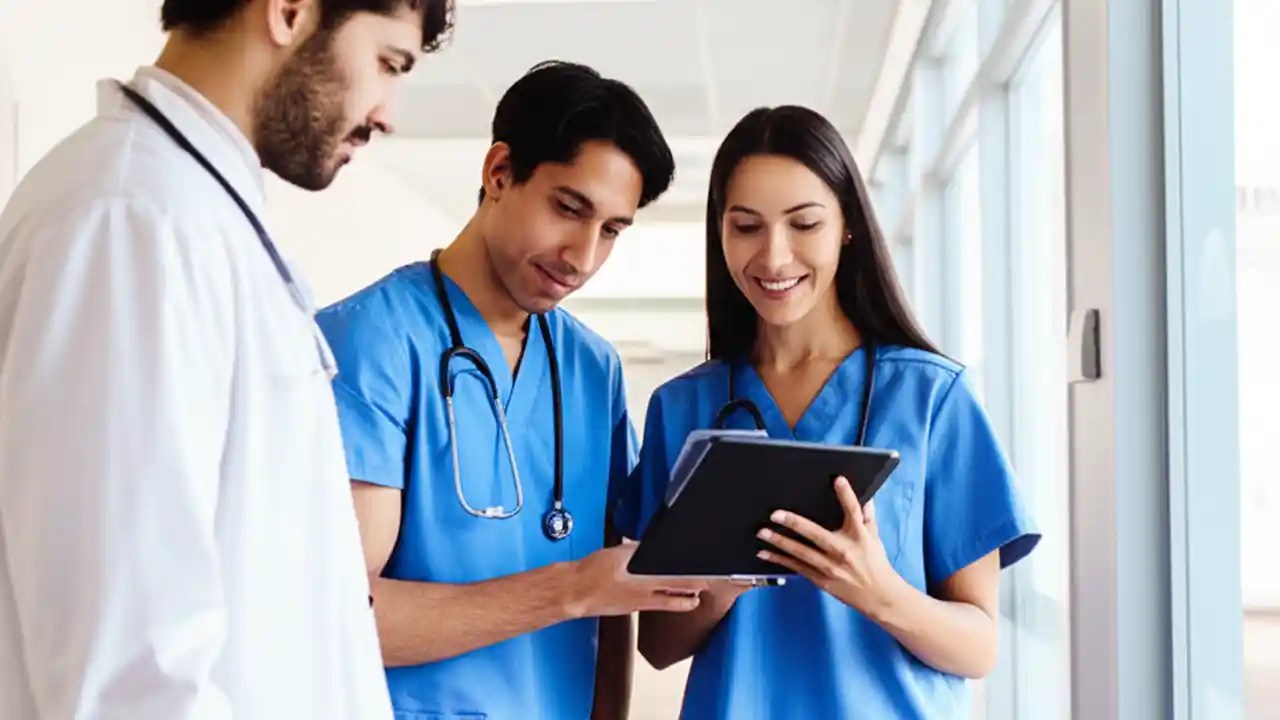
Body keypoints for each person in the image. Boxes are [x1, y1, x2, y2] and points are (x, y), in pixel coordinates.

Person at [0, 1, 453, 717]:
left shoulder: (192, 213)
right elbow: (127, 672)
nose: (386, 113)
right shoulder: (132, 218)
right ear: (289, 11)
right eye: (387, 64)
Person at [614, 105, 1042, 719]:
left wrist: (878, 592)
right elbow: (657, 644)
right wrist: (722, 583)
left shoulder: (931, 399)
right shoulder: (683, 408)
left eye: (804, 223)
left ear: (846, 225)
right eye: (746, 227)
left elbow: (978, 649)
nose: (775, 257)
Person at [315, 59, 706, 720]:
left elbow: (613, 613)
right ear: (500, 173)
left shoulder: (591, 368)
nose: (582, 255)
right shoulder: (369, 343)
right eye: (568, 208)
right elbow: (345, 614)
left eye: (611, 230)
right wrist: (573, 589)